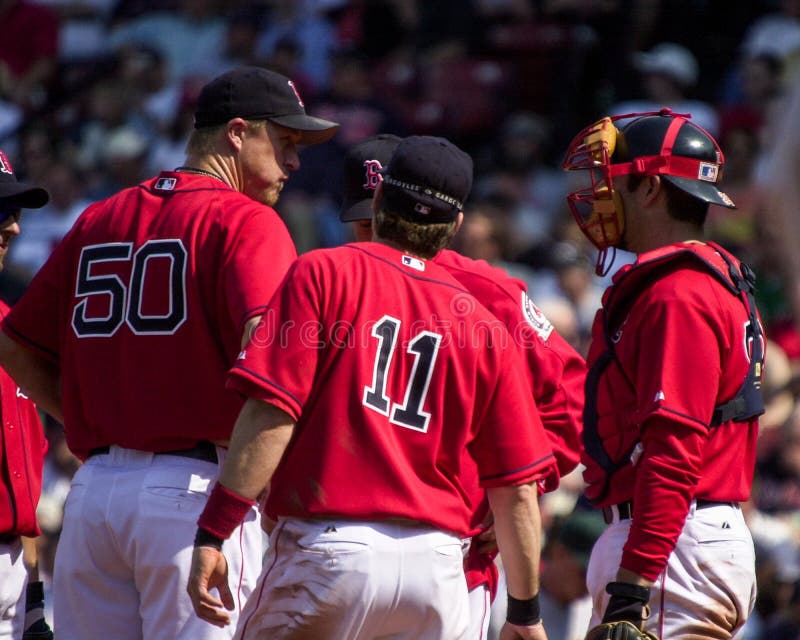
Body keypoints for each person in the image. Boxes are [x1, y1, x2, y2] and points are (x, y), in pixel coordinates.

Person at [0, 65, 338, 640]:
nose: (294, 162)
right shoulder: (248, 221)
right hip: (195, 498)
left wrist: (81, 421)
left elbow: (12, 342)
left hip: (94, 497)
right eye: (284, 142)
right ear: (237, 132)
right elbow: (274, 367)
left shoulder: (100, 217)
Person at [187, 135, 557, 640]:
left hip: (331, 548)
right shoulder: (485, 323)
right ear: (455, 226)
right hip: (438, 570)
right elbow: (515, 491)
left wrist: (215, 530)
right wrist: (525, 610)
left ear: (379, 200)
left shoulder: (322, 271)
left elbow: (272, 414)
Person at [340, 133, 586, 640]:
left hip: (452, 546)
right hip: (335, 536)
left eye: (376, 220)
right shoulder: (329, 279)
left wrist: (518, 489)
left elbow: (571, 400)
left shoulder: (488, 292)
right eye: (358, 223)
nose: (369, 234)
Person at [561, 107, 764, 639]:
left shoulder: (678, 294)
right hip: (679, 538)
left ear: (651, 189)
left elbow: (673, 448)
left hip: (667, 547)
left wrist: (633, 587)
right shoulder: (706, 278)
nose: (601, 195)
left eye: (615, 182)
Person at [0, 151, 52, 640]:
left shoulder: (10, 328)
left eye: (13, 213)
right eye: (0, 213)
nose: (13, 228)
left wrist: (34, 598)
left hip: (13, 570)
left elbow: (25, 475)